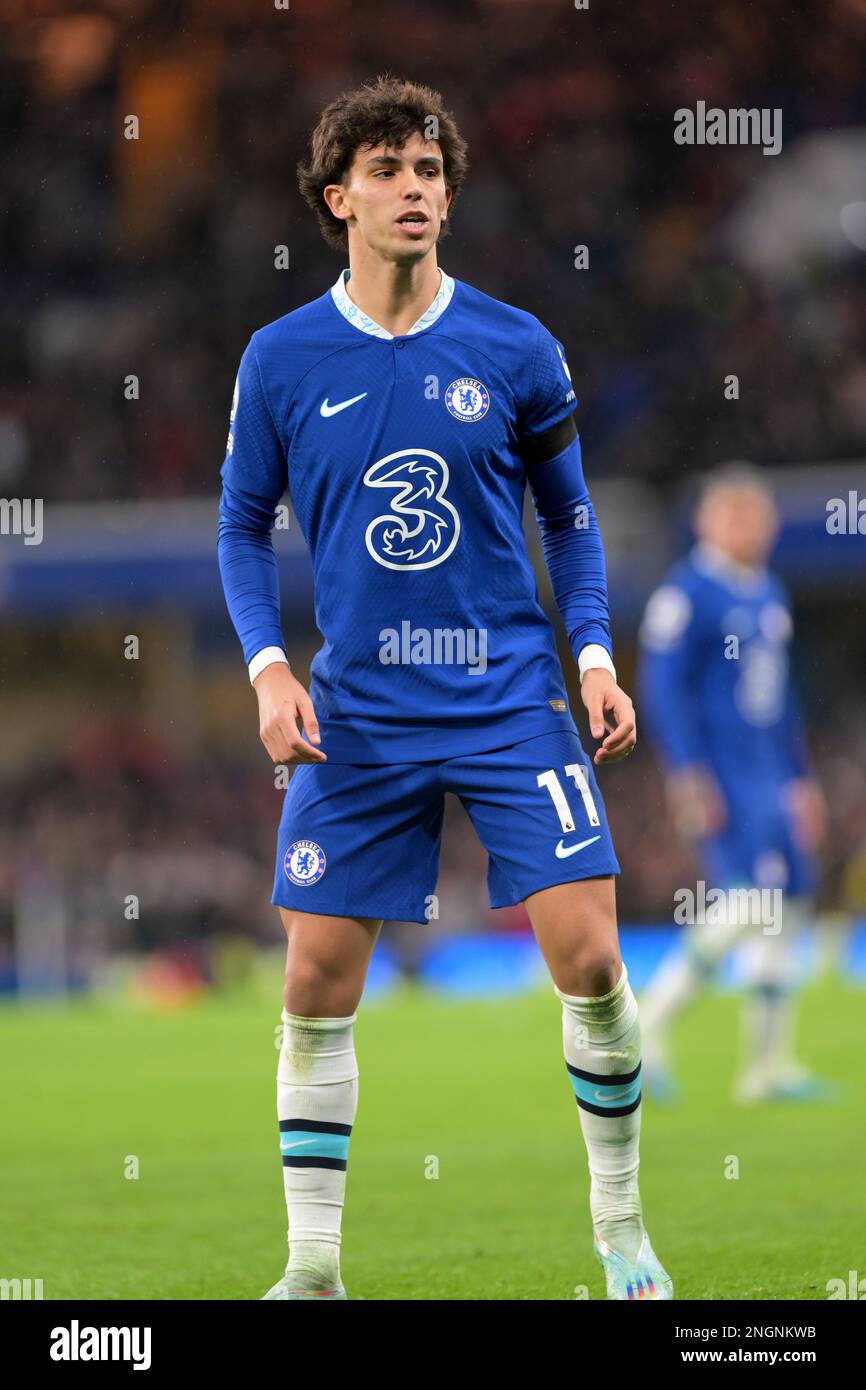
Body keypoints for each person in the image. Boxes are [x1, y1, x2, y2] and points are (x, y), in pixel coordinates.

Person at [218, 74, 671, 1301]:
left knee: (586, 958)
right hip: (358, 706)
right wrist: (268, 672)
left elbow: (570, 519)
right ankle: (312, 1269)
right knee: (314, 983)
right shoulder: (280, 359)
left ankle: (622, 1233)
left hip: (508, 693)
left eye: (428, 170)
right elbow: (238, 528)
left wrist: (589, 654)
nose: (413, 189)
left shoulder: (516, 345)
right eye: (386, 170)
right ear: (337, 198)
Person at [637, 464, 830, 1103]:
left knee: (787, 907)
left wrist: (802, 780)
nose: (748, 526)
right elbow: (663, 692)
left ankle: (766, 1069)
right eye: (733, 514)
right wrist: (688, 773)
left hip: (772, 774)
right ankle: (646, 1029)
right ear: (705, 522)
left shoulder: (769, 590)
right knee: (749, 902)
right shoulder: (687, 593)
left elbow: (782, 699)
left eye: (757, 515)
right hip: (723, 773)